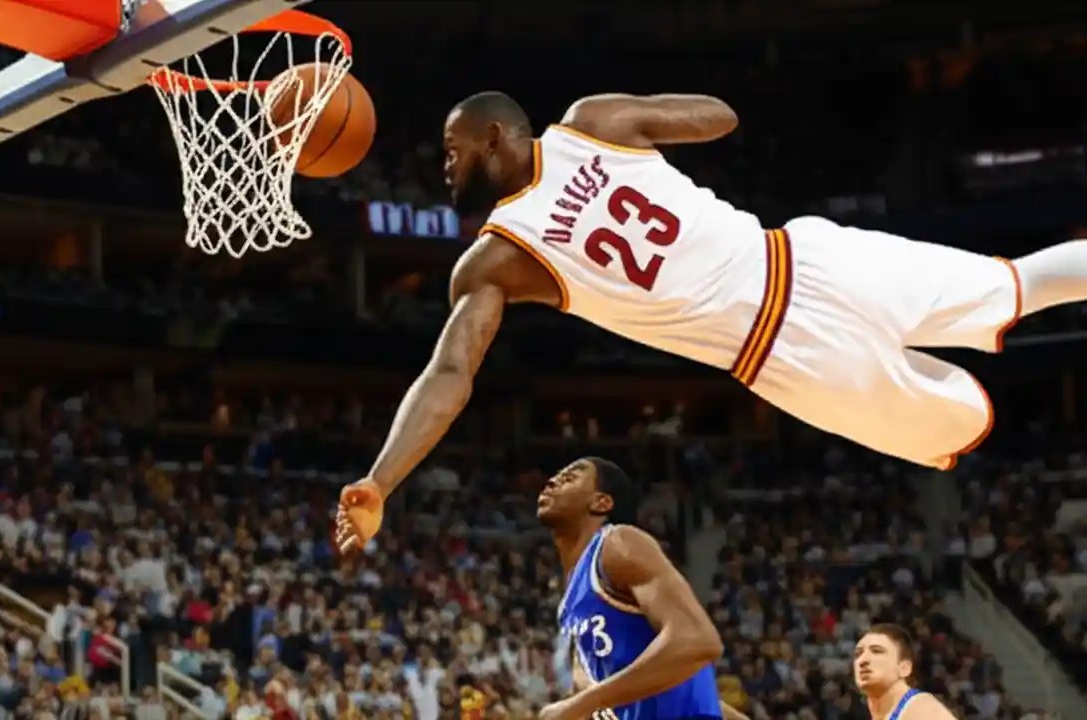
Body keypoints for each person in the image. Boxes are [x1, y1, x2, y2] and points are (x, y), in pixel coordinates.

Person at [332, 90, 1087, 550]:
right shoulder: (593, 123)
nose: (444, 167)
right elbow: (720, 117)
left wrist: (382, 480)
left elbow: (451, 376)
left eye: (451, 150)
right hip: (804, 272)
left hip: (789, 334)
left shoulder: (496, 259)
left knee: (973, 380)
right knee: (1006, 303)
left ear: (493, 137)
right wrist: (654, 123)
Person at [525, 457, 739, 720]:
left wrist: (581, 704)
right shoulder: (573, 602)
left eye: (570, 477)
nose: (551, 481)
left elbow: (697, 641)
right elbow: (670, 685)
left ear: (601, 502)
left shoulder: (619, 544)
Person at [854, 624, 956, 720]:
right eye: (858, 654)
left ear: (904, 668)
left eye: (877, 651)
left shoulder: (922, 710)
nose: (863, 660)